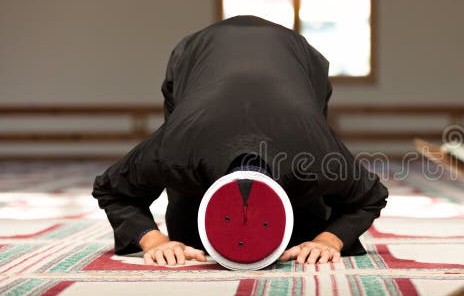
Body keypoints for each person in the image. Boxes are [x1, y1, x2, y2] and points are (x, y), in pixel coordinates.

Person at [91, 15, 388, 267]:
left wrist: (328, 240)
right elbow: (112, 189)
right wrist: (153, 240)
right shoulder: (177, 147)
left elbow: (370, 195)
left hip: (295, 57)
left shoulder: (315, 151)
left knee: (307, 236)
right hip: (198, 56)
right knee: (187, 239)